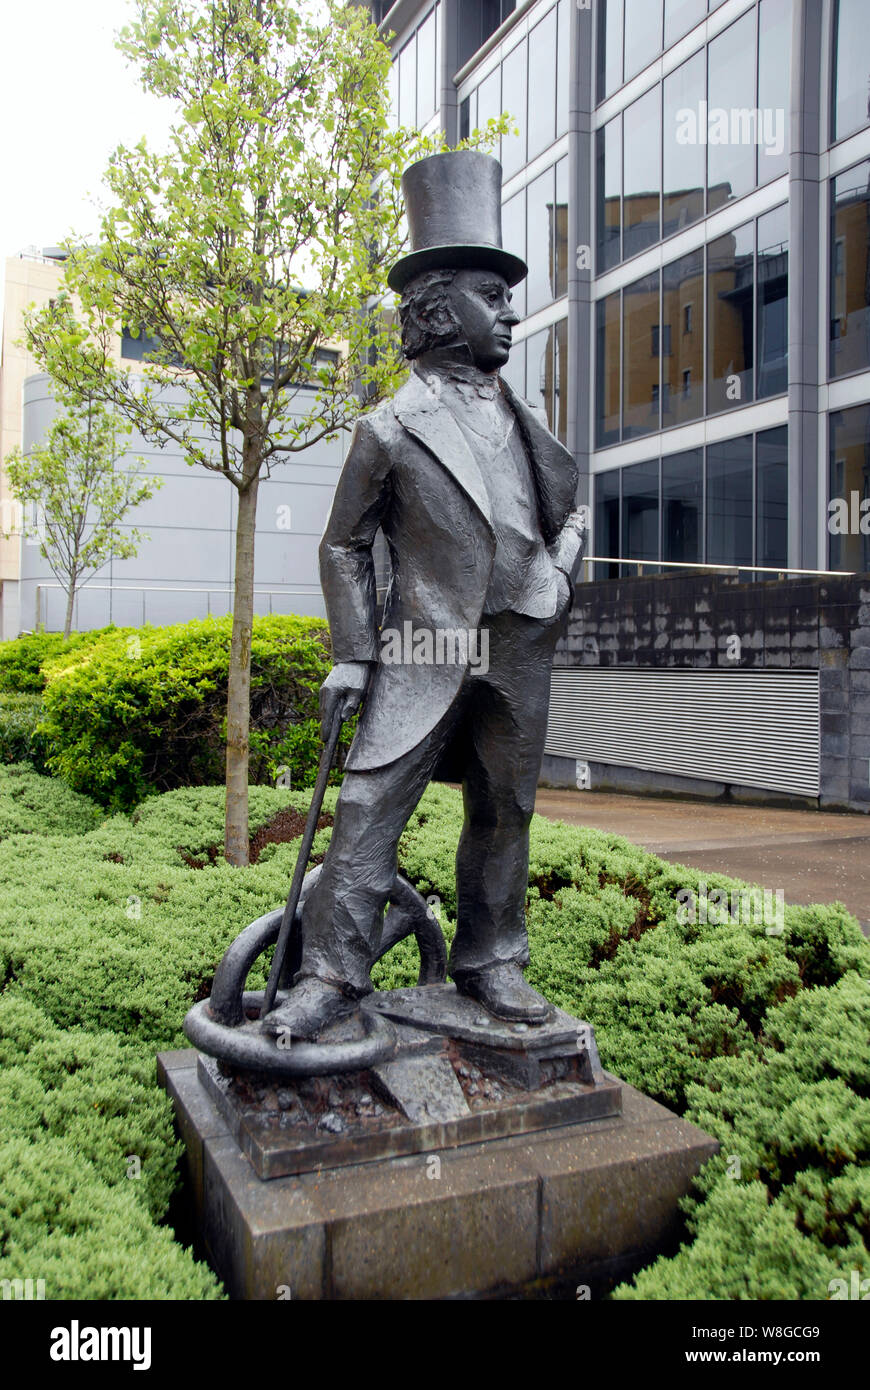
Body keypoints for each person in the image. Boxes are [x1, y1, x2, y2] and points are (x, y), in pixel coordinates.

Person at [264, 151, 585, 1041]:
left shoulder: (532, 424)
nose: (512, 309)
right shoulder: (388, 426)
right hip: (425, 647)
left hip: (519, 642)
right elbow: (342, 544)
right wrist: (354, 654)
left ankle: (493, 963)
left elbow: (570, 516)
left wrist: (559, 579)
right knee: (370, 806)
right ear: (438, 311)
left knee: (505, 810)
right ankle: (331, 975)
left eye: (509, 293)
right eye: (492, 292)